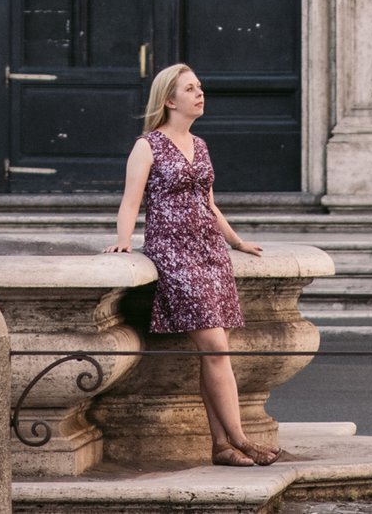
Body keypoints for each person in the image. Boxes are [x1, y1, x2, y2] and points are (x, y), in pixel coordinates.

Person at [107, 62, 276, 468]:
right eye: (190, 88)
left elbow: (209, 204)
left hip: (210, 253)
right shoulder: (147, 145)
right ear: (169, 99)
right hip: (175, 253)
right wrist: (124, 242)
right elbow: (131, 200)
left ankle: (222, 446)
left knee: (212, 353)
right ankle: (240, 437)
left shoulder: (200, 145)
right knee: (216, 347)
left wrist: (236, 241)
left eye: (200, 86)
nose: (200, 93)